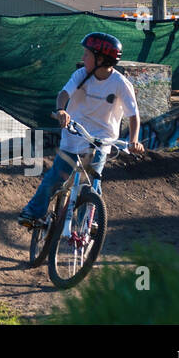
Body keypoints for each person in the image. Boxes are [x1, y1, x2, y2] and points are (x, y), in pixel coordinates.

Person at [18, 31, 145, 227]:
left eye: (87, 54)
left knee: (91, 183)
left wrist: (134, 140)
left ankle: (88, 223)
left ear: (100, 59)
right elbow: (63, 94)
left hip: (101, 140)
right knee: (55, 178)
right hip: (74, 135)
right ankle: (33, 212)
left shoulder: (120, 84)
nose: (83, 58)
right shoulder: (81, 75)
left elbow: (133, 115)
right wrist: (61, 110)